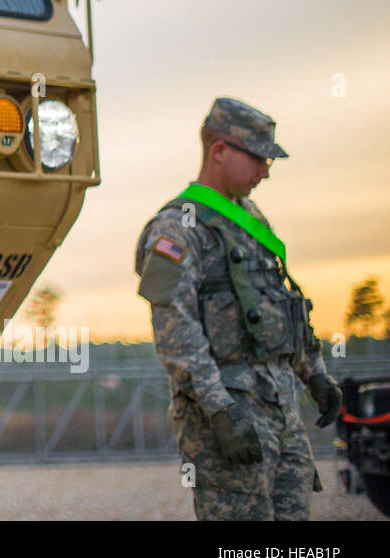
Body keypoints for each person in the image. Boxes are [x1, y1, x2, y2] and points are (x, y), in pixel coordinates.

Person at [134, 97, 342, 520]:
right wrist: (220, 409)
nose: (266, 171)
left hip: (280, 409)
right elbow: (176, 333)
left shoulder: (252, 220)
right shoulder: (177, 227)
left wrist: (314, 374)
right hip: (228, 416)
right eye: (259, 158)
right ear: (219, 151)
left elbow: (279, 307)